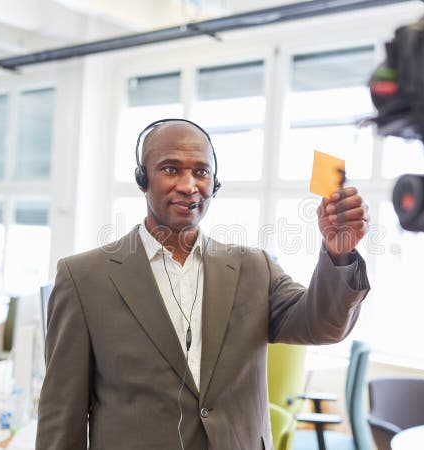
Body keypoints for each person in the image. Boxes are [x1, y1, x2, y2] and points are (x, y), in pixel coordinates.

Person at [36, 119, 371, 450]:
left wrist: (339, 255)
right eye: (170, 169)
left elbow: (323, 325)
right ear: (143, 179)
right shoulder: (83, 278)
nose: (188, 185)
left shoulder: (255, 268)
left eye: (201, 171)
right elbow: (61, 413)